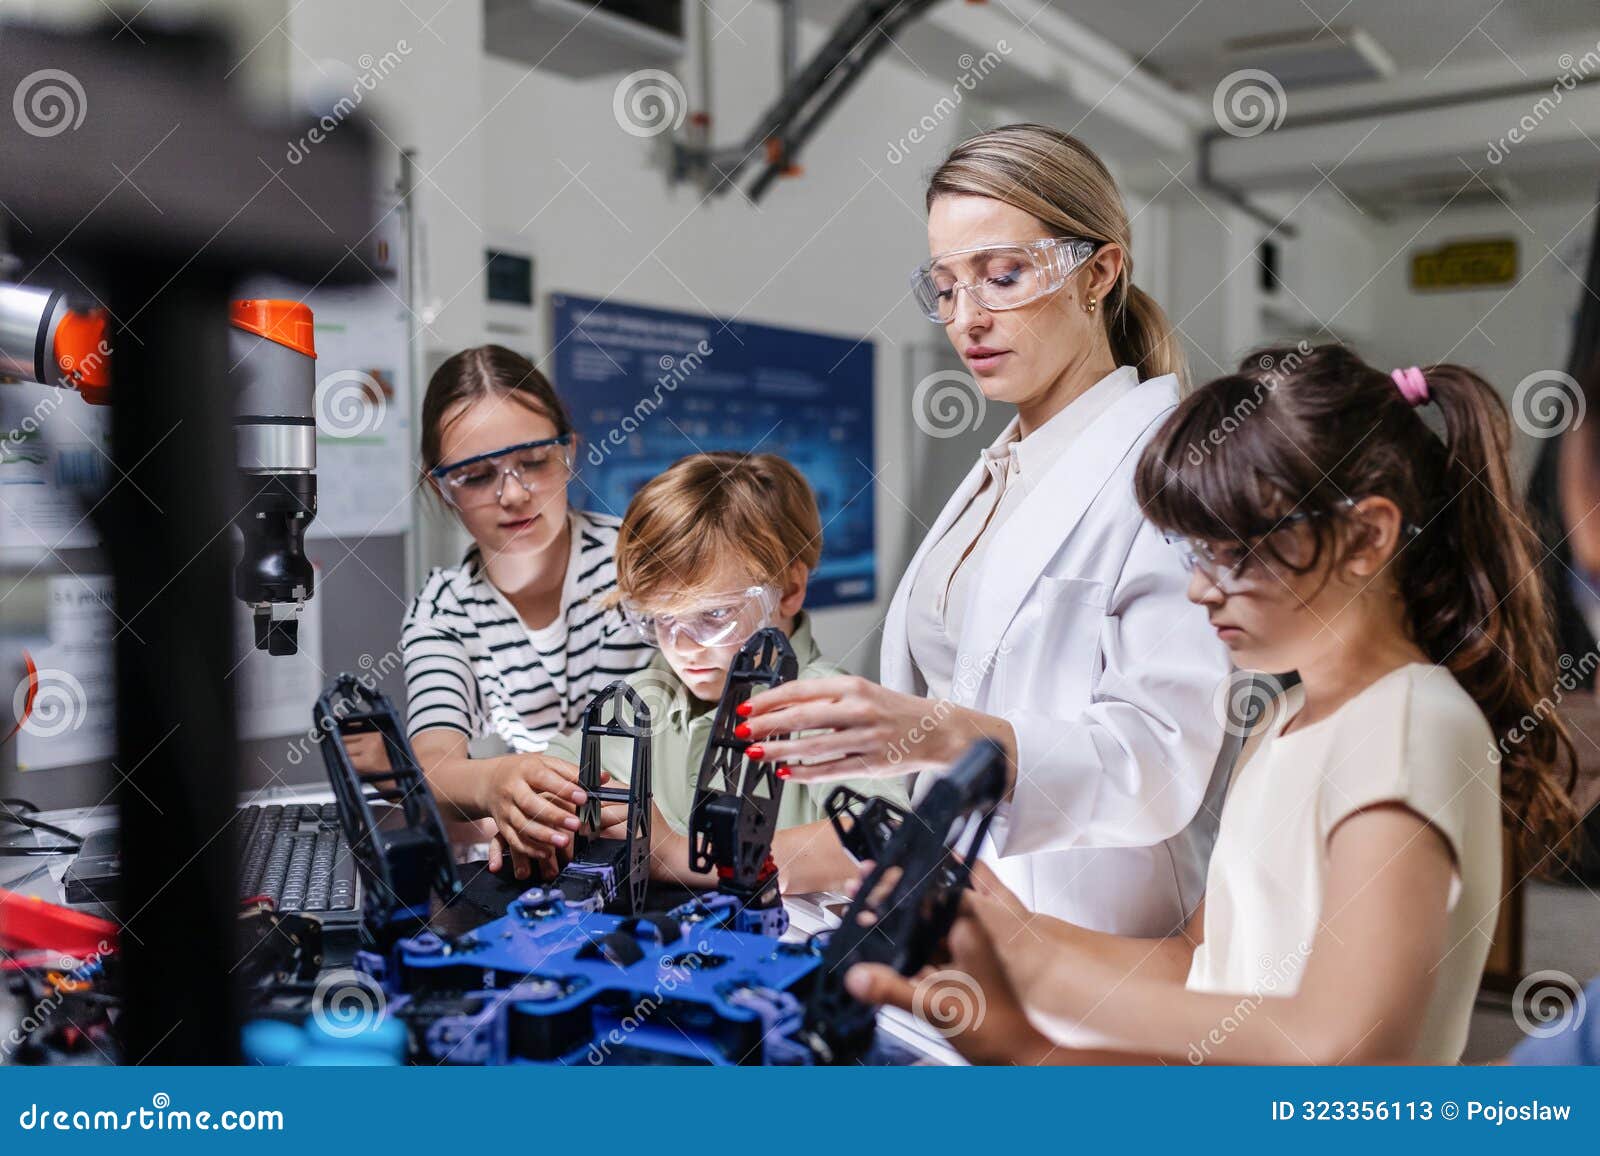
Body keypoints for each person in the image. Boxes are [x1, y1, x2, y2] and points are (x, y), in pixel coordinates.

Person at [846, 346, 1582, 1064]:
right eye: (1192, 551)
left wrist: (1034, 993)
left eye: (1235, 553)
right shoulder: (1282, 720)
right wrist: (1015, 939)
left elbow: (1341, 1047)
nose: (1199, 588)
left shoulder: (1409, 726)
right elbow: (1198, 963)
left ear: (1366, 537)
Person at [739, 123, 1232, 936]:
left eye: (1002, 277)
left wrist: (934, 736)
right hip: (962, 918)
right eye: (945, 286)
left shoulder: (1173, 471)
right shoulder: (1002, 471)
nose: (966, 318)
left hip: (1095, 933)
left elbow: (1159, 762)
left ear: (1098, 272)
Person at [533, 452, 908, 894]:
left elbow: (888, 838)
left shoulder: (826, 704)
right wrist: (534, 816)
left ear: (789, 590)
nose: (682, 646)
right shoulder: (647, 693)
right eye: (662, 618)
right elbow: (552, 775)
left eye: (714, 614)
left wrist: (677, 855)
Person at [396, 345, 653, 873]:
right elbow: (435, 763)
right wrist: (494, 781)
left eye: (533, 462)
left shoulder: (643, 562)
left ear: (569, 452)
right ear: (442, 489)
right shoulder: (446, 610)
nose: (513, 494)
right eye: (476, 475)